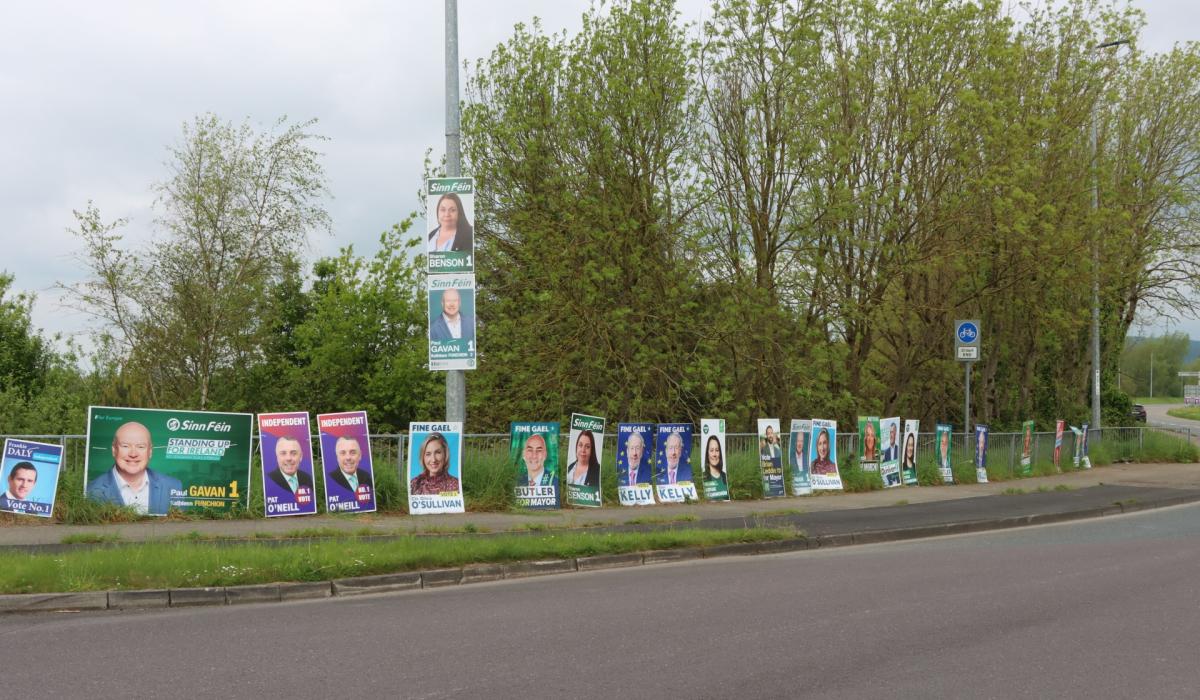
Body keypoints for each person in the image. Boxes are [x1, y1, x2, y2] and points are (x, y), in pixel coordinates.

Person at [86, 421, 181, 516]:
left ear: (150, 451)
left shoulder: (173, 486)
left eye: (140, 446)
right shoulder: (92, 491)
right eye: (125, 446)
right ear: (114, 450)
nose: (133, 454)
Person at [266, 435, 314, 500]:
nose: (288, 458)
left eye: (293, 453)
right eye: (283, 453)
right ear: (277, 457)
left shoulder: (308, 478)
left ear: (301, 456)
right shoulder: (268, 480)